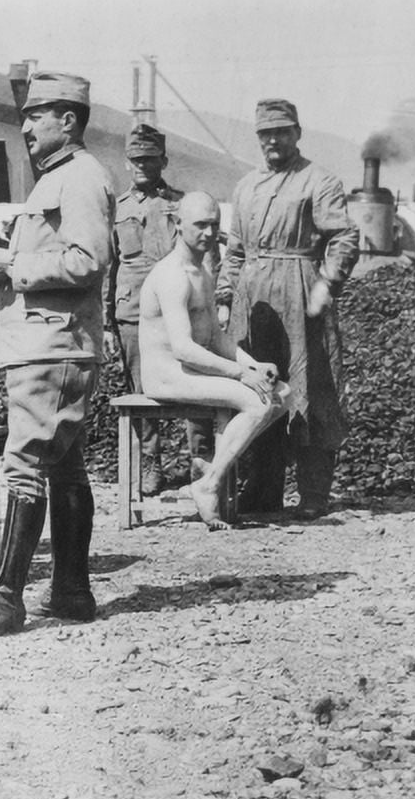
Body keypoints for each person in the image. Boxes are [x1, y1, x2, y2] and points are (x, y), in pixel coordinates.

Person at [0, 71, 115, 636]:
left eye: (36, 115)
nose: (25, 126)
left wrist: (12, 267)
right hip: (48, 342)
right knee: (64, 468)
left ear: (69, 120)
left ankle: (6, 597)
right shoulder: (59, 177)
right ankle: (72, 591)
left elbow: (86, 261)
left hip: (56, 344)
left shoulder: (79, 179)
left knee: (26, 465)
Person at [216, 99, 359, 519]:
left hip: (300, 294)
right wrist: (225, 298)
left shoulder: (319, 180)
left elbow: (344, 236)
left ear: (297, 133)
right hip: (253, 302)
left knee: (310, 387)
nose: (273, 140)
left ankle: (314, 494)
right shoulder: (245, 186)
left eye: (281, 131)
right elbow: (236, 251)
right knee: (259, 388)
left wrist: (327, 283)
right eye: (265, 133)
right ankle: (263, 490)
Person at [135, 191, 288, 529]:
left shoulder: (201, 273)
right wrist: (240, 375)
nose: (207, 233)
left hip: (188, 369)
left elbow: (216, 339)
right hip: (166, 374)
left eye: (213, 225)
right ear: (178, 225)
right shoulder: (173, 276)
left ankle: (212, 468)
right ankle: (209, 483)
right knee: (259, 403)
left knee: (283, 395)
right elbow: (184, 349)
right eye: (199, 225)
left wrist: (253, 366)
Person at [106, 124, 213, 494]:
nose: (141, 166)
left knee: (196, 383)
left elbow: (203, 260)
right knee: (142, 392)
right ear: (126, 163)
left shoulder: (181, 206)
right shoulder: (117, 209)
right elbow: (109, 266)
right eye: (135, 160)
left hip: (180, 309)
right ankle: (150, 465)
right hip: (134, 313)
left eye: (149, 160)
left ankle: (200, 460)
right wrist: (107, 323)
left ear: (163, 161)